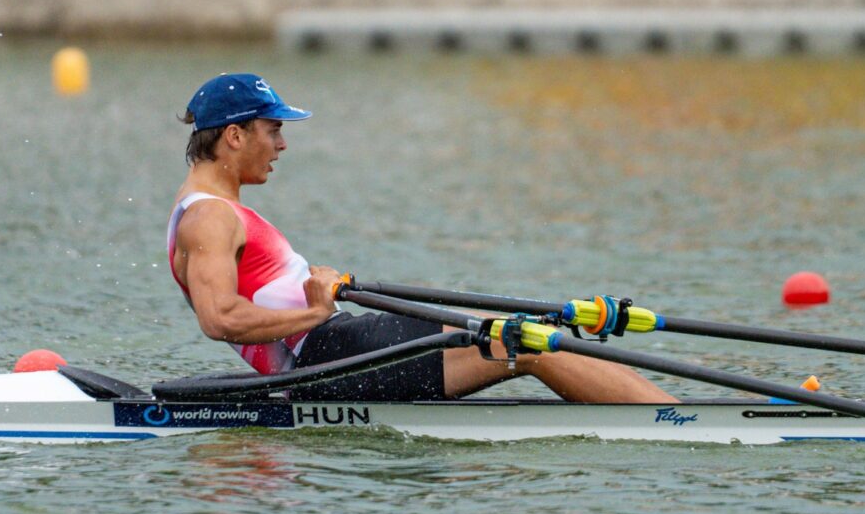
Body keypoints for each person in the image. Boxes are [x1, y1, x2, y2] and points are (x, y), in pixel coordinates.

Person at [167, 72, 676, 403]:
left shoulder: (214, 212)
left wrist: (315, 292)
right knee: (532, 344)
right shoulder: (208, 218)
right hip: (327, 357)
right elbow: (221, 318)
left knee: (521, 330)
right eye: (272, 129)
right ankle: (678, 423)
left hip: (337, 348)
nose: (281, 144)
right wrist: (315, 312)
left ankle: (667, 414)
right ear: (234, 136)